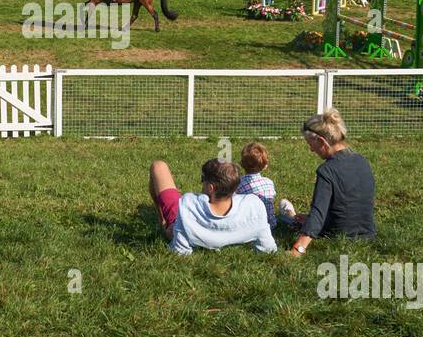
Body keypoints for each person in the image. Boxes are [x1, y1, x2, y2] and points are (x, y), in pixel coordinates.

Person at [287, 108, 376, 257]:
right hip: (367, 233)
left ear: (321, 141)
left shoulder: (327, 170)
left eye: (310, 144)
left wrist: (298, 248)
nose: (311, 150)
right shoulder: (362, 161)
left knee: (286, 219)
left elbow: (318, 212)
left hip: (339, 234)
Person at [148, 158, 277, 255]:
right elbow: (268, 248)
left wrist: (171, 230)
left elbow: (180, 250)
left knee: (159, 166)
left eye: (202, 178)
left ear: (211, 187)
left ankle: (163, 221)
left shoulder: (188, 204)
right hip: (235, 230)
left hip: (188, 228)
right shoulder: (254, 204)